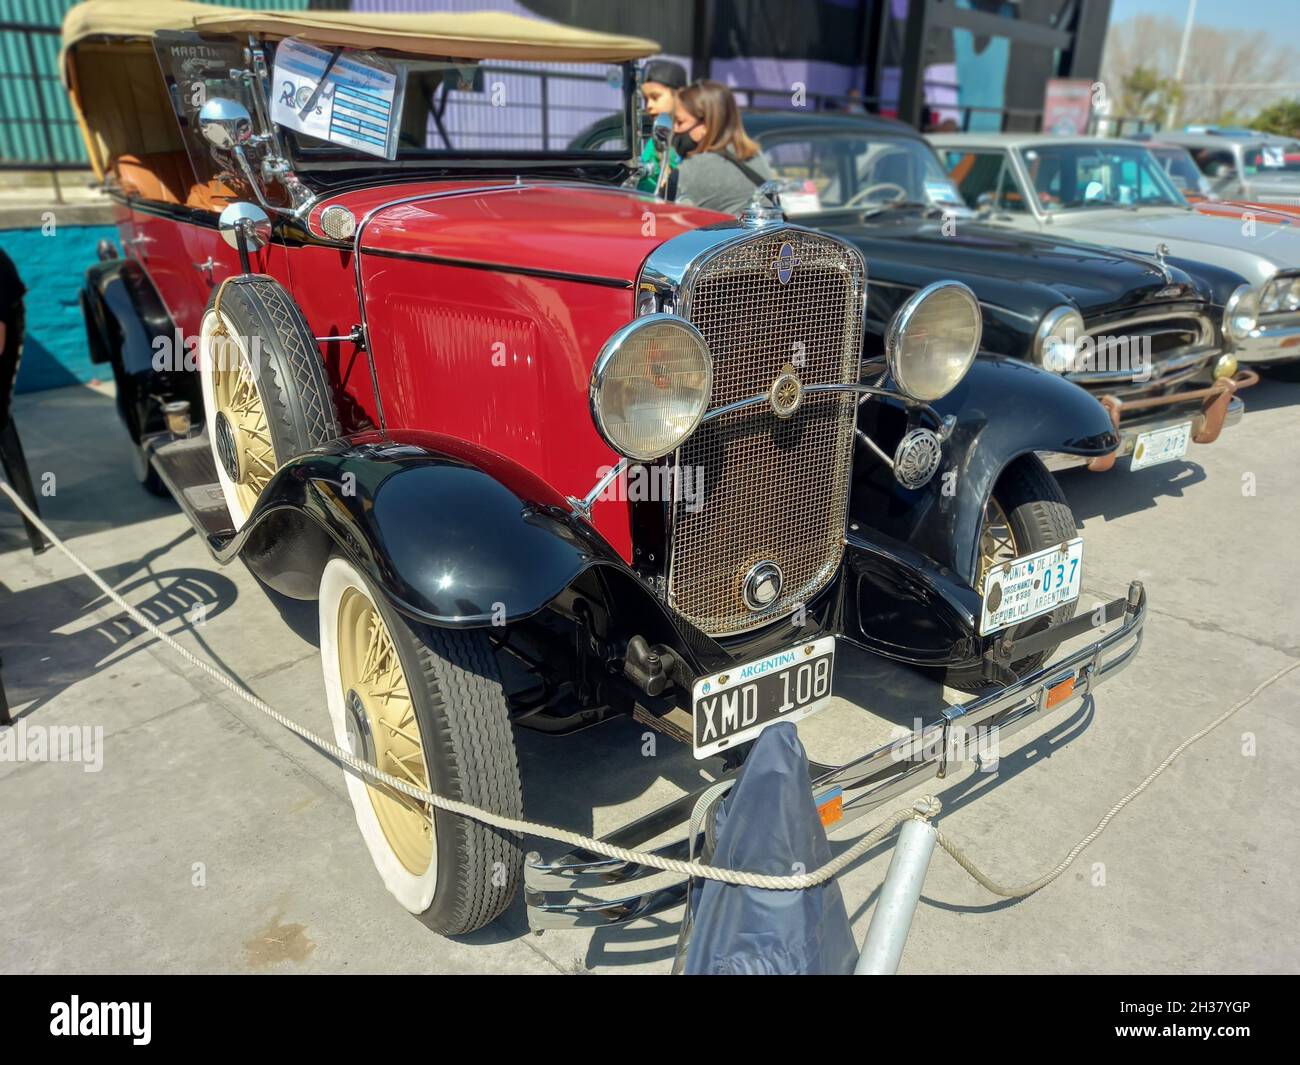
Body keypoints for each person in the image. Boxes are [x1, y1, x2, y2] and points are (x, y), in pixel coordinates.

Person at [671, 80, 773, 214]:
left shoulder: (692, 169)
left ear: (706, 124)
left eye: (679, 122)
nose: (674, 129)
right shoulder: (756, 156)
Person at [636, 59, 688, 194]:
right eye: (646, 99)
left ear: (679, 95)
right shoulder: (658, 134)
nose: (648, 106)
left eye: (655, 97)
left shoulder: (691, 140)